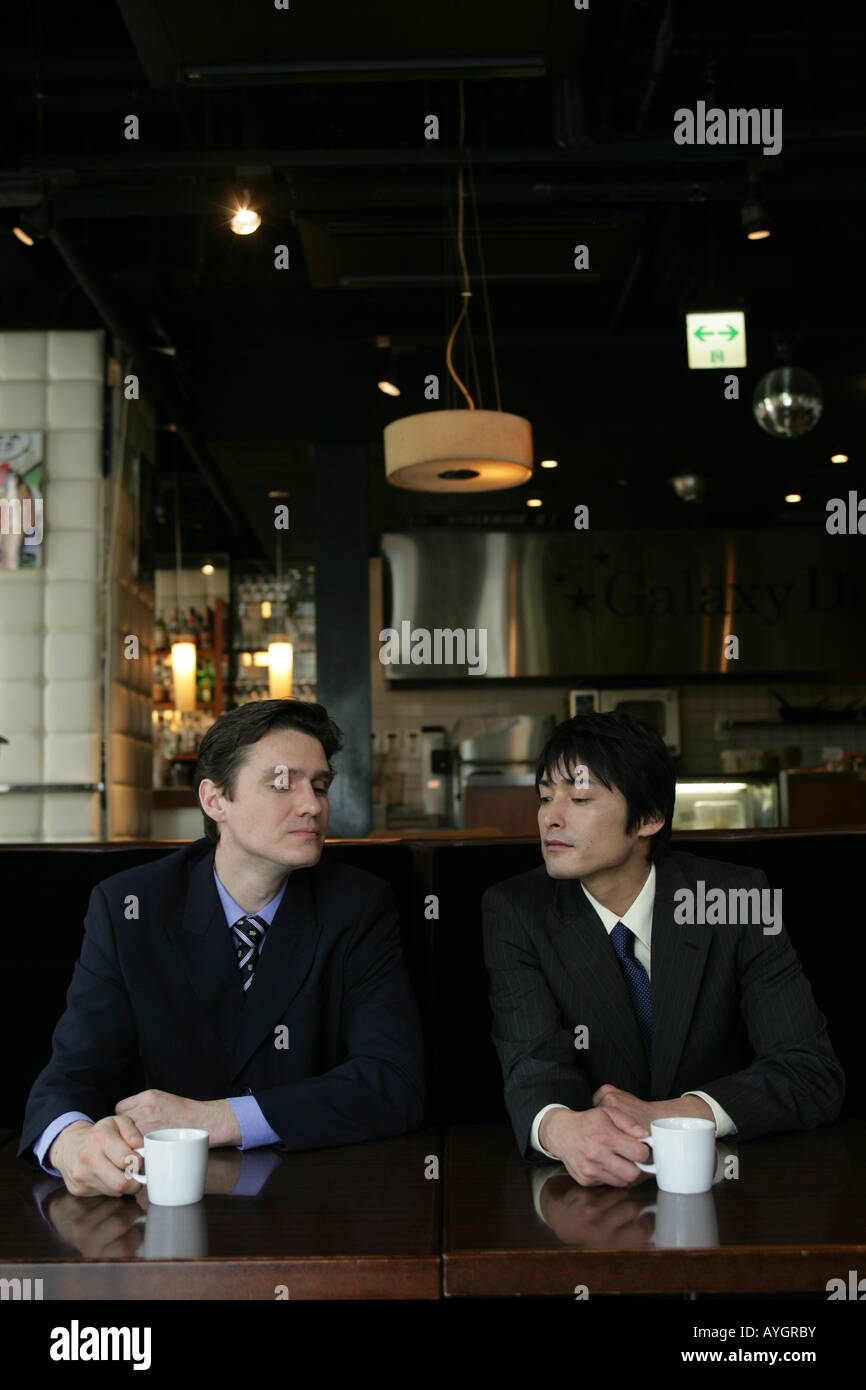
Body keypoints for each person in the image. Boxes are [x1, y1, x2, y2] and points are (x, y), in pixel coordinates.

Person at [19, 699, 425, 1197]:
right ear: (215, 801)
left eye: (320, 785)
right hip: (159, 1202)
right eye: (282, 783)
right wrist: (70, 1141)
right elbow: (71, 1073)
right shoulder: (130, 908)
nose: (313, 805)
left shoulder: (357, 906)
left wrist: (214, 1118)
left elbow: (392, 1082)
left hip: (316, 1199)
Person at [482, 712, 844, 1188]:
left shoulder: (733, 901)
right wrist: (559, 1127)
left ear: (649, 818)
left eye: (581, 797)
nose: (550, 816)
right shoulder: (516, 910)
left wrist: (673, 1116)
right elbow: (531, 1061)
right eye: (546, 796)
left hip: (732, 1188)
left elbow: (810, 1072)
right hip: (586, 1195)